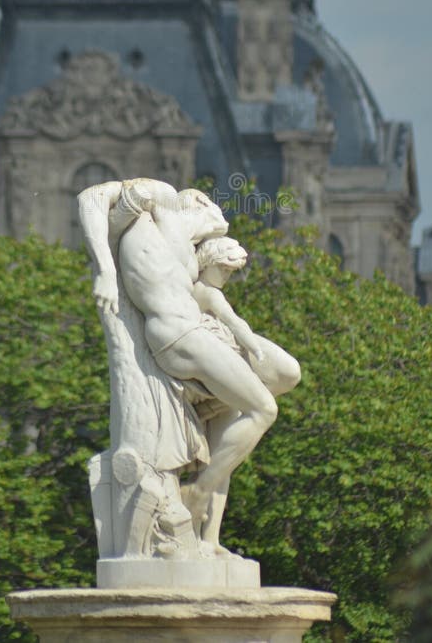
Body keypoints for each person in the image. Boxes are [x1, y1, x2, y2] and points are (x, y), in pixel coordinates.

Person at [78, 178, 287, 536]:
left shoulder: (189, 253)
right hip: (178, 334)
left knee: (286, 373)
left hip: (196, 332)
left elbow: (212, 299)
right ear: (202, 203)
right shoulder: (164, 201)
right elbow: (91, 196)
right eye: (217, 210)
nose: (224, 222)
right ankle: (198, 492)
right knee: (264, 409)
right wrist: (107, 273)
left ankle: (209, 536)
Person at [187, 236, 300, 552]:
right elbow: (235, 323)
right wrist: (252, 346)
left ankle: (210, 539)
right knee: (262, 410)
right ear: (208, 264)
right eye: (224, 269)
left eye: (231, 271)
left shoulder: (205, 291)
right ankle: (200, 512)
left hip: (226, 368)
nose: (227, 277)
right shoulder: (206, 292)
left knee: (227, 457)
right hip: (221, 365)